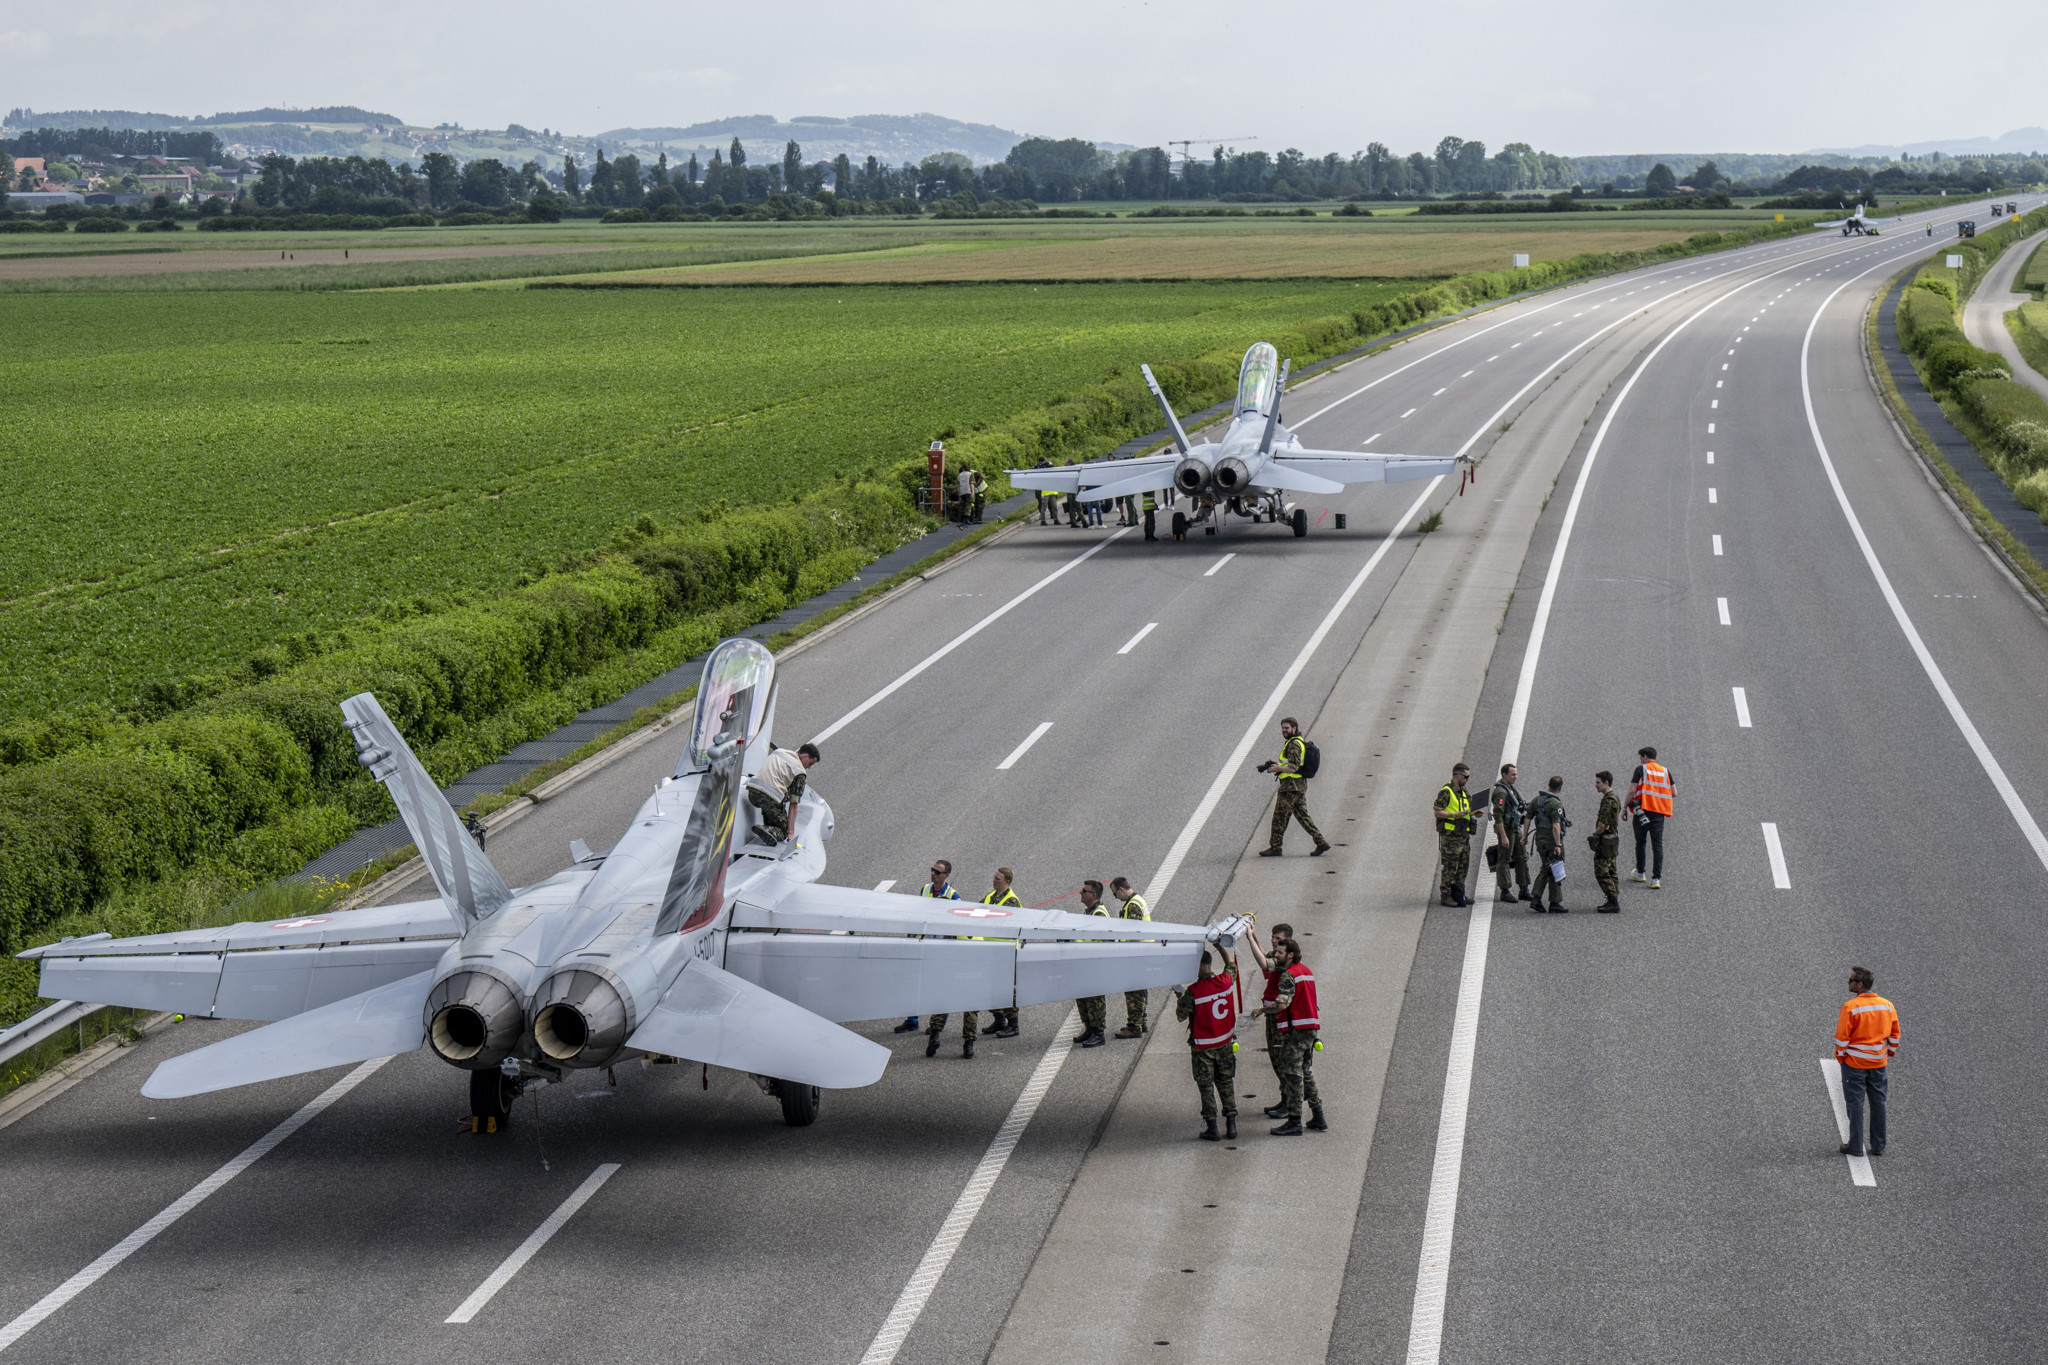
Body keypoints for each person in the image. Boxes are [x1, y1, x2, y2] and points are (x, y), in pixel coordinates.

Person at [1247, 939, 1323, 1135]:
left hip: (1295, 1031)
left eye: (1279, 952)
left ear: (1290, 954)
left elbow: (1282, 1004)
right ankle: (1318, 1115)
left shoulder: (1288, 975)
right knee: (1305, 1072)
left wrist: (1262, 1010)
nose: (1275, 955)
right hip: (1309, 1029)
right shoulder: (1305, 971)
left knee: (1293, 1076)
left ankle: (1295, 1121)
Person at [1173, 948, 1238, 1141]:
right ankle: (1231, 1124)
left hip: (1203, 1047)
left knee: (1206, 1087)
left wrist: (1180, 996)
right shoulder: (1226, 980)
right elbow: (1231, 964)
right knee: (1226, 1082)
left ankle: (1212, 1127)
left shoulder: (1194, 992)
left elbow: (1180, 1016)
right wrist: (1220, 945)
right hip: (1225, 1043)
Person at [1835, 966, 1900, 1157]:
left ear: (1860, 984)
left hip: (1855, 1064)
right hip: (1878, 1063)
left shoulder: (1851, 1007)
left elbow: (1842, 1038)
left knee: (1855, 1103)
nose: (1848, 982)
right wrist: (1888, 1053)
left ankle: (1855, 1145)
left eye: (1851, 980)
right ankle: (1878, 1145)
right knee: (1879, 1102)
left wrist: (1841, 1057)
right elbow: (1895, 1035)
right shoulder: (1887, 1006)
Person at [894, 861, 961, 1034]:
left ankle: (937, 1025)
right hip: (922, 945)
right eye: (932, 870)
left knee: (937, 987)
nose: (933, 874)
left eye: (937, 872)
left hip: (939, 949)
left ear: (946, 875)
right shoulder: (925, 889)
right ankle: (912, 1021)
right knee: (915, 984)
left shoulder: (953, 896)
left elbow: (957, 925)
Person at [1258, 718, 1329, 857]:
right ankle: (1321, 842)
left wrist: (1278, 768)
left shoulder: (1294, 744)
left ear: (1294, 728)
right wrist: (1275, 765)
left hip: (1290, 788)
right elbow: (1291, 764)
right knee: (1303, 816)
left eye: (1287, 728)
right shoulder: (1295, 742)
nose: (1284, 731)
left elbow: (1293, 767)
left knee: (1279, 818)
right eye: (1283, 728)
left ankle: (1275, 847)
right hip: (1297, 787)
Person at [1245, 922, 1294, 1116]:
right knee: (1275, 1059)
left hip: (1280, 1018)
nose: (1274, 941)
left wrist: (1250, 938)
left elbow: (1265, 964)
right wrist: (1255, 936)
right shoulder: (1279, 955)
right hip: (1273, 1017)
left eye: (1278, 939)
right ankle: (1285, 1099)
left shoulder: (1284, 960)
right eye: (1273, 937)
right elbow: (1266, 957)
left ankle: (1289, 1103)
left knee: (1282, 1061)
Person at [744, 741, 819, 844]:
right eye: (810, 763)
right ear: (805, 756)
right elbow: (794, 803)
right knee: (783, 831)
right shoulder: (799, 771)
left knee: (772, 813)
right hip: (769, 798)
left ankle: (768, 827)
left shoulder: (779, 752)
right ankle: (769, 830)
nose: (809, 767)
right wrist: (791, 833)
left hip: (753, 791)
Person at [1627, 745, 1675, 888]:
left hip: (1643, 810)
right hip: (1659, 813)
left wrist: (1624, 808)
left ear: (1645, 756)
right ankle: (1656, 879)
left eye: (1641, 757)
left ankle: (1640, 872)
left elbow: (1632, 790)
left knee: (1641, 842)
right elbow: (1674, 792)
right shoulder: (1665, 771)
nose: (1640, 760)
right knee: (1657, 845)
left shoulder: (1641, 769)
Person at [983, 868, 1023, 1038]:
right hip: (991, 950)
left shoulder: (1011, 901)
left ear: (1007, 881)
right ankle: (999, 1019)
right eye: (994, 877)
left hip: (1005, 953)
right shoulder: (991, 897)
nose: (994, 880)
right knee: (989, 987)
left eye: (998, 879)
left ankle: (1013, 1024)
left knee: (1005, 988)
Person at [1111, 876, 1152, 1038]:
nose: (1115, 897)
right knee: (1140, 989)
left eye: (1115, 894)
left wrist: (1129, 955)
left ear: (1121, 889)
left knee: (1134, 992)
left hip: (1136, 955)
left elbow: (1135, 933)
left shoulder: (1133, 905)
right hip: (1144, 953)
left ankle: (1134, 1027)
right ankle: (1141, 1022)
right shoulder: (1138, 900)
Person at [1488, 763, 1531, 904]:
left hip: (1515, 828)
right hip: (1507, 829)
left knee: (1522, 856)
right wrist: (1503, 836)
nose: (1515, 777)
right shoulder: (1501, 792)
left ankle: (1524, 888)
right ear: (1504, 775)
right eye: (1512, 774)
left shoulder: (1511, 789)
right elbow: (1498, 815)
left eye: (1516, 774)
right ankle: (1505, 891)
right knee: (1504, 858)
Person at [1073, 880, 1110, 1047]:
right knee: (1083, 997)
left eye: (1084, 891)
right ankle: (1089, 1028)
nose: (1080, 893)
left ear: (1093, 895)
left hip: (1095, 965)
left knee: (1095, 999)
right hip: (1084, 964)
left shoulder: (1099, 914)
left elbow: (1104, 940)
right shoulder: (1088, 912)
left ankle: (1098, 1032)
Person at [1433, 763, 1475, 904]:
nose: (1467, 780)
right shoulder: (1446, 791)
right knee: (1450, 867)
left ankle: (1459, 893)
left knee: (1463, 866)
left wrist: (1473, 813)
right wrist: (1454, 815)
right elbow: (1437, 812)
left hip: (1463, 835)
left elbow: (1466, 809)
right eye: (1466, 777)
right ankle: (1445, 895)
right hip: (1451, 837)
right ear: (1458, 775)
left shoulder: (1464, 792)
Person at [1527, 775, 1570, 912]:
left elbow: (1528, 817)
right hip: (1551, 840)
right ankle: (1545, 899)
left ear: (1548, 784)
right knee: (1554, 867)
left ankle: (1550, 900)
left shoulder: (1537, 800)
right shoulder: (1555, 804)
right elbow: (1556, 826)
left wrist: (1524, 836)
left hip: (1540, 838)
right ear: (1560, 788)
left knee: (1548, 867)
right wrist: (1558, 845)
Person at [1591, 771, 1622, 912]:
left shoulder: (1608, 801)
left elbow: (1602, 825)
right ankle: (1612, 899)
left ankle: (1612, 900)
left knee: (1601, 871)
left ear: (1606, 783)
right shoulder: (1615, 797)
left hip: (1605, 841)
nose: (1596, 785)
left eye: (1598, 782)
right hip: (1612, 839)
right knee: (1611, 869)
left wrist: (1594, 834)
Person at [1033, 458, 1056, 525]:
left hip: (1042, 487)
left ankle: (1048, 515)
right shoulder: (1037, 467)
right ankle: (1047, 516)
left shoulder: (1047, 465)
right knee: (1043, 504)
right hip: (1042, 488)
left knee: (1043, 504)